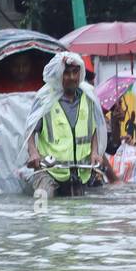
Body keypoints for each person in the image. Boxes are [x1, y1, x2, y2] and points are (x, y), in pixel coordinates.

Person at [24, 51, 107, 198]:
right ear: (58, 75)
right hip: (50, 171)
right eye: (67, 73)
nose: (72, 77)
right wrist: (33, 153)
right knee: (42, 198)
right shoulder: (45, 99)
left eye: (76, 72)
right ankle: (37, 219)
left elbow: (94, 129)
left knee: (93, 206)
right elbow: (30, 130)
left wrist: (95, 152)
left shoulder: (89, 97)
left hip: (81, 171)